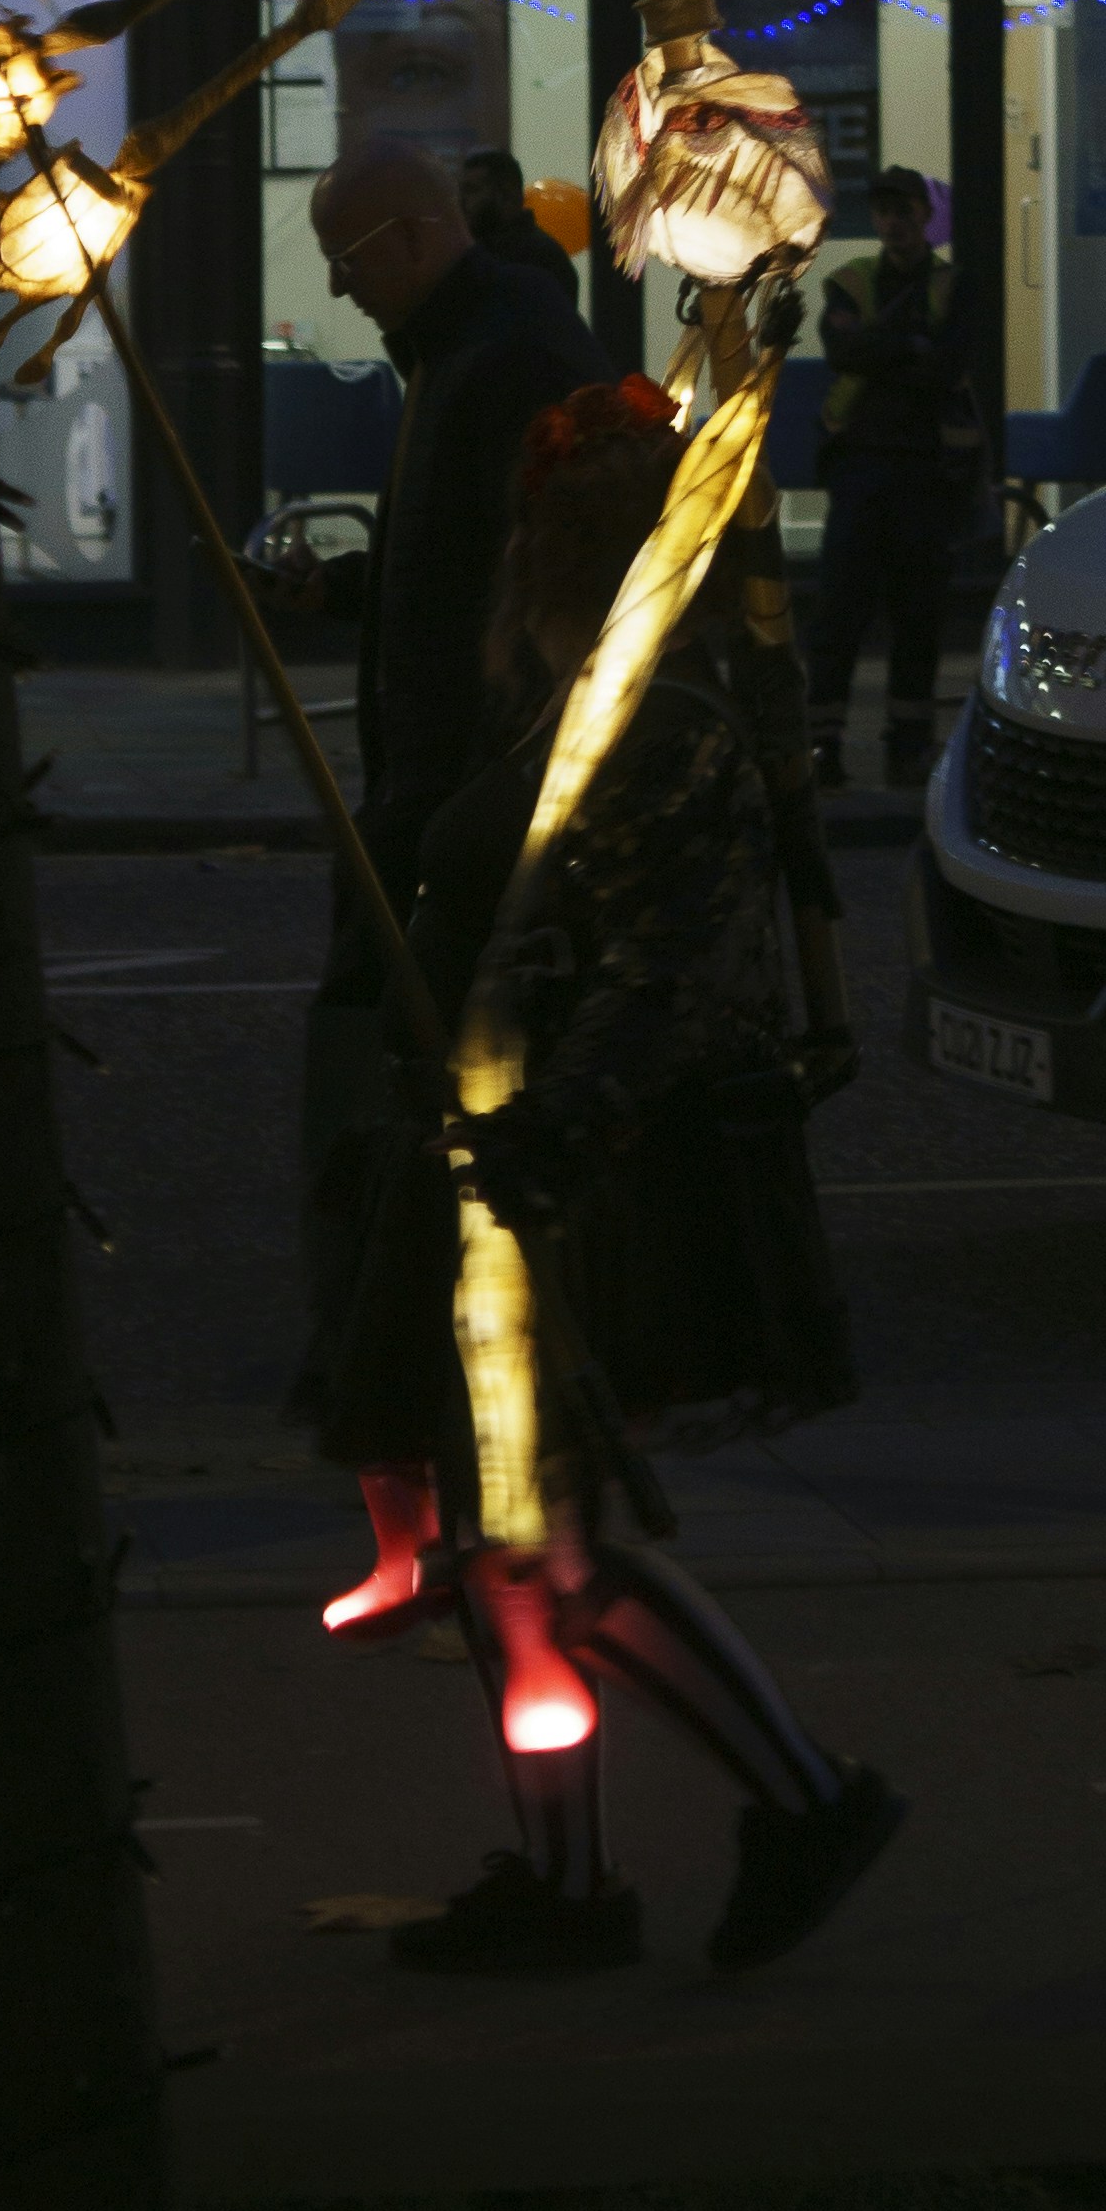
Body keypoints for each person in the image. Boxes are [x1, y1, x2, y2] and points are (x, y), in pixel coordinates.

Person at [311, 371, 901, 1979]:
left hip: (598, 1182)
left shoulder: (674, 718)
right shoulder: (595, 699)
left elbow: (672, 965)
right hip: (525, 1160)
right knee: (509, 1556)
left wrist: (550, 1130)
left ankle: (806, 1796)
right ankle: (567, 1885)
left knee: (547, 1550)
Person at [287, 138, 597, 1417]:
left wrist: (466, 804)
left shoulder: (505, 358)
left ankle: (403, 1346)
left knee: (402, 1070)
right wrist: (355, 590)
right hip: (440, 788)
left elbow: (531, 599)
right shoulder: (468, 350)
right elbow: (454, 574)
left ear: (412, 235)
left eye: (347, 261)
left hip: (461, 805)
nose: (343, 289)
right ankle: (391, 1328)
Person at [804, 165, 981, 788]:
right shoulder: (850, 281)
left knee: (917, 615)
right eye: (883, 212)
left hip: (926, 471)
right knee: (838, 614)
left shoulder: (954, 285)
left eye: (903, 211)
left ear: (922, 216)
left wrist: (884, 348)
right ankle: (823, 743)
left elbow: (947, 364)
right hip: (863, 465)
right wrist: (911, 347)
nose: (893, 222)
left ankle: (907, 744)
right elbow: (842, 353)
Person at [456, 143, 581, 307]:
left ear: (508, 196)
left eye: (472, 190)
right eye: (461, 191)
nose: (461, 201)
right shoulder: (470, 253)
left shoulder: (544, 259)